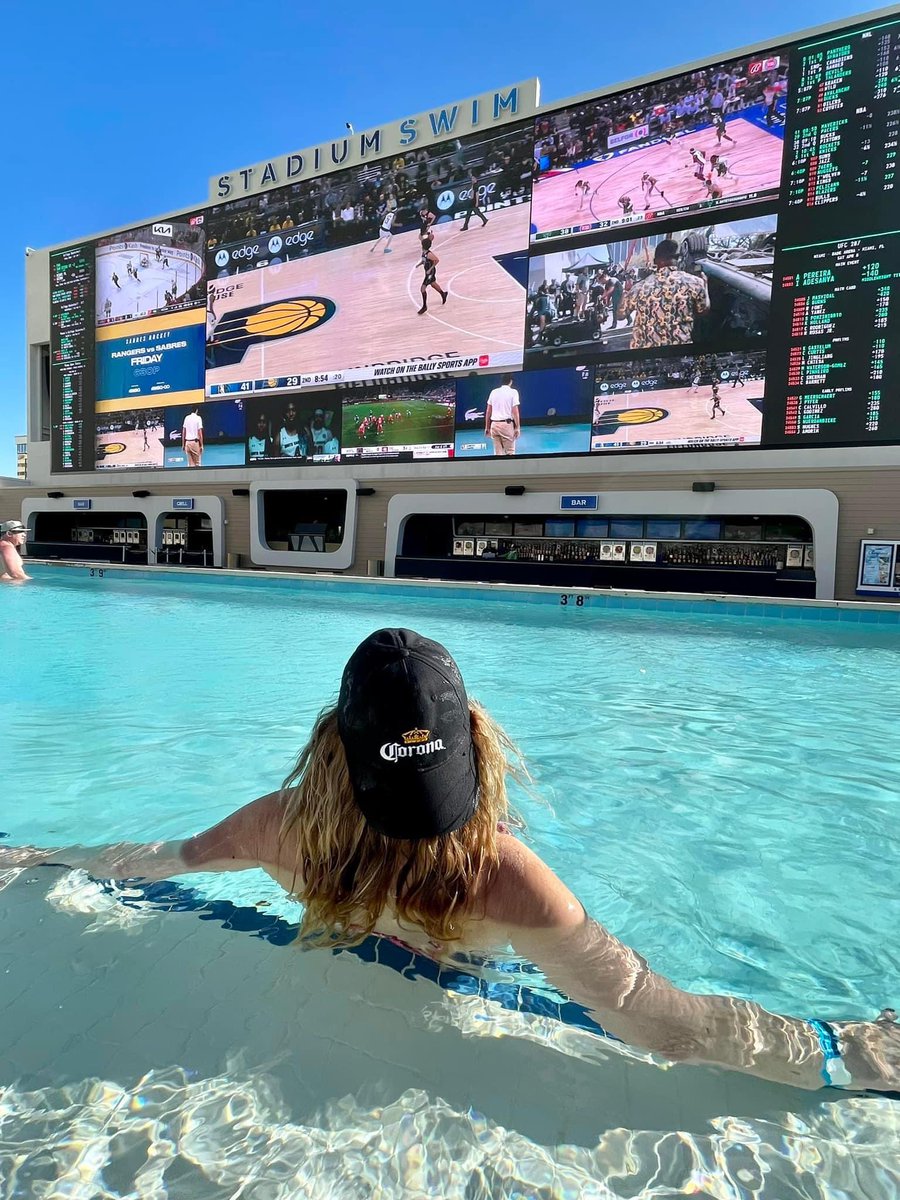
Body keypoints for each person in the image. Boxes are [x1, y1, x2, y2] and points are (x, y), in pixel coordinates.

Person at [4, 627, 898, 1094]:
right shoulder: (505, 878)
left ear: (334, 755)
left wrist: (40, 856)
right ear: (479, 748)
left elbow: (159, 860)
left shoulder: (280, 829)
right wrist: (843, 1051)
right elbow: (661, 1023)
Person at [622, 239, 710, 350]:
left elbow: (621, 315)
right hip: (679, 355)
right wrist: (705, 285)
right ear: (678, 258)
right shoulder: (695, 282)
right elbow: (703, 310)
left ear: (655, 261)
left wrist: (625, 292)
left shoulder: (639, 288)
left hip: (643, 357)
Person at [484, 375, 520, 455]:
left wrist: (487, 427)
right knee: (510, 453)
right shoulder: (513, 392)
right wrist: (517, 427)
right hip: (506, 425)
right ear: (511, 381)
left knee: (498, 454)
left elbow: (488, 411)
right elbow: (515, 411)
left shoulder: (493, 392)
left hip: (494, 425)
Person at [417, 236, 448, 315]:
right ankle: (443, 294)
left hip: (430, 273)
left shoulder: (429, 254)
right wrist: (419, 264)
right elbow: (424, 260)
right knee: (433, 284)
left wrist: (430, 269)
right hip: (427, 271)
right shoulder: (424, 252)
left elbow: (437, 260)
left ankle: (424, 306)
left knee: (422, 289)